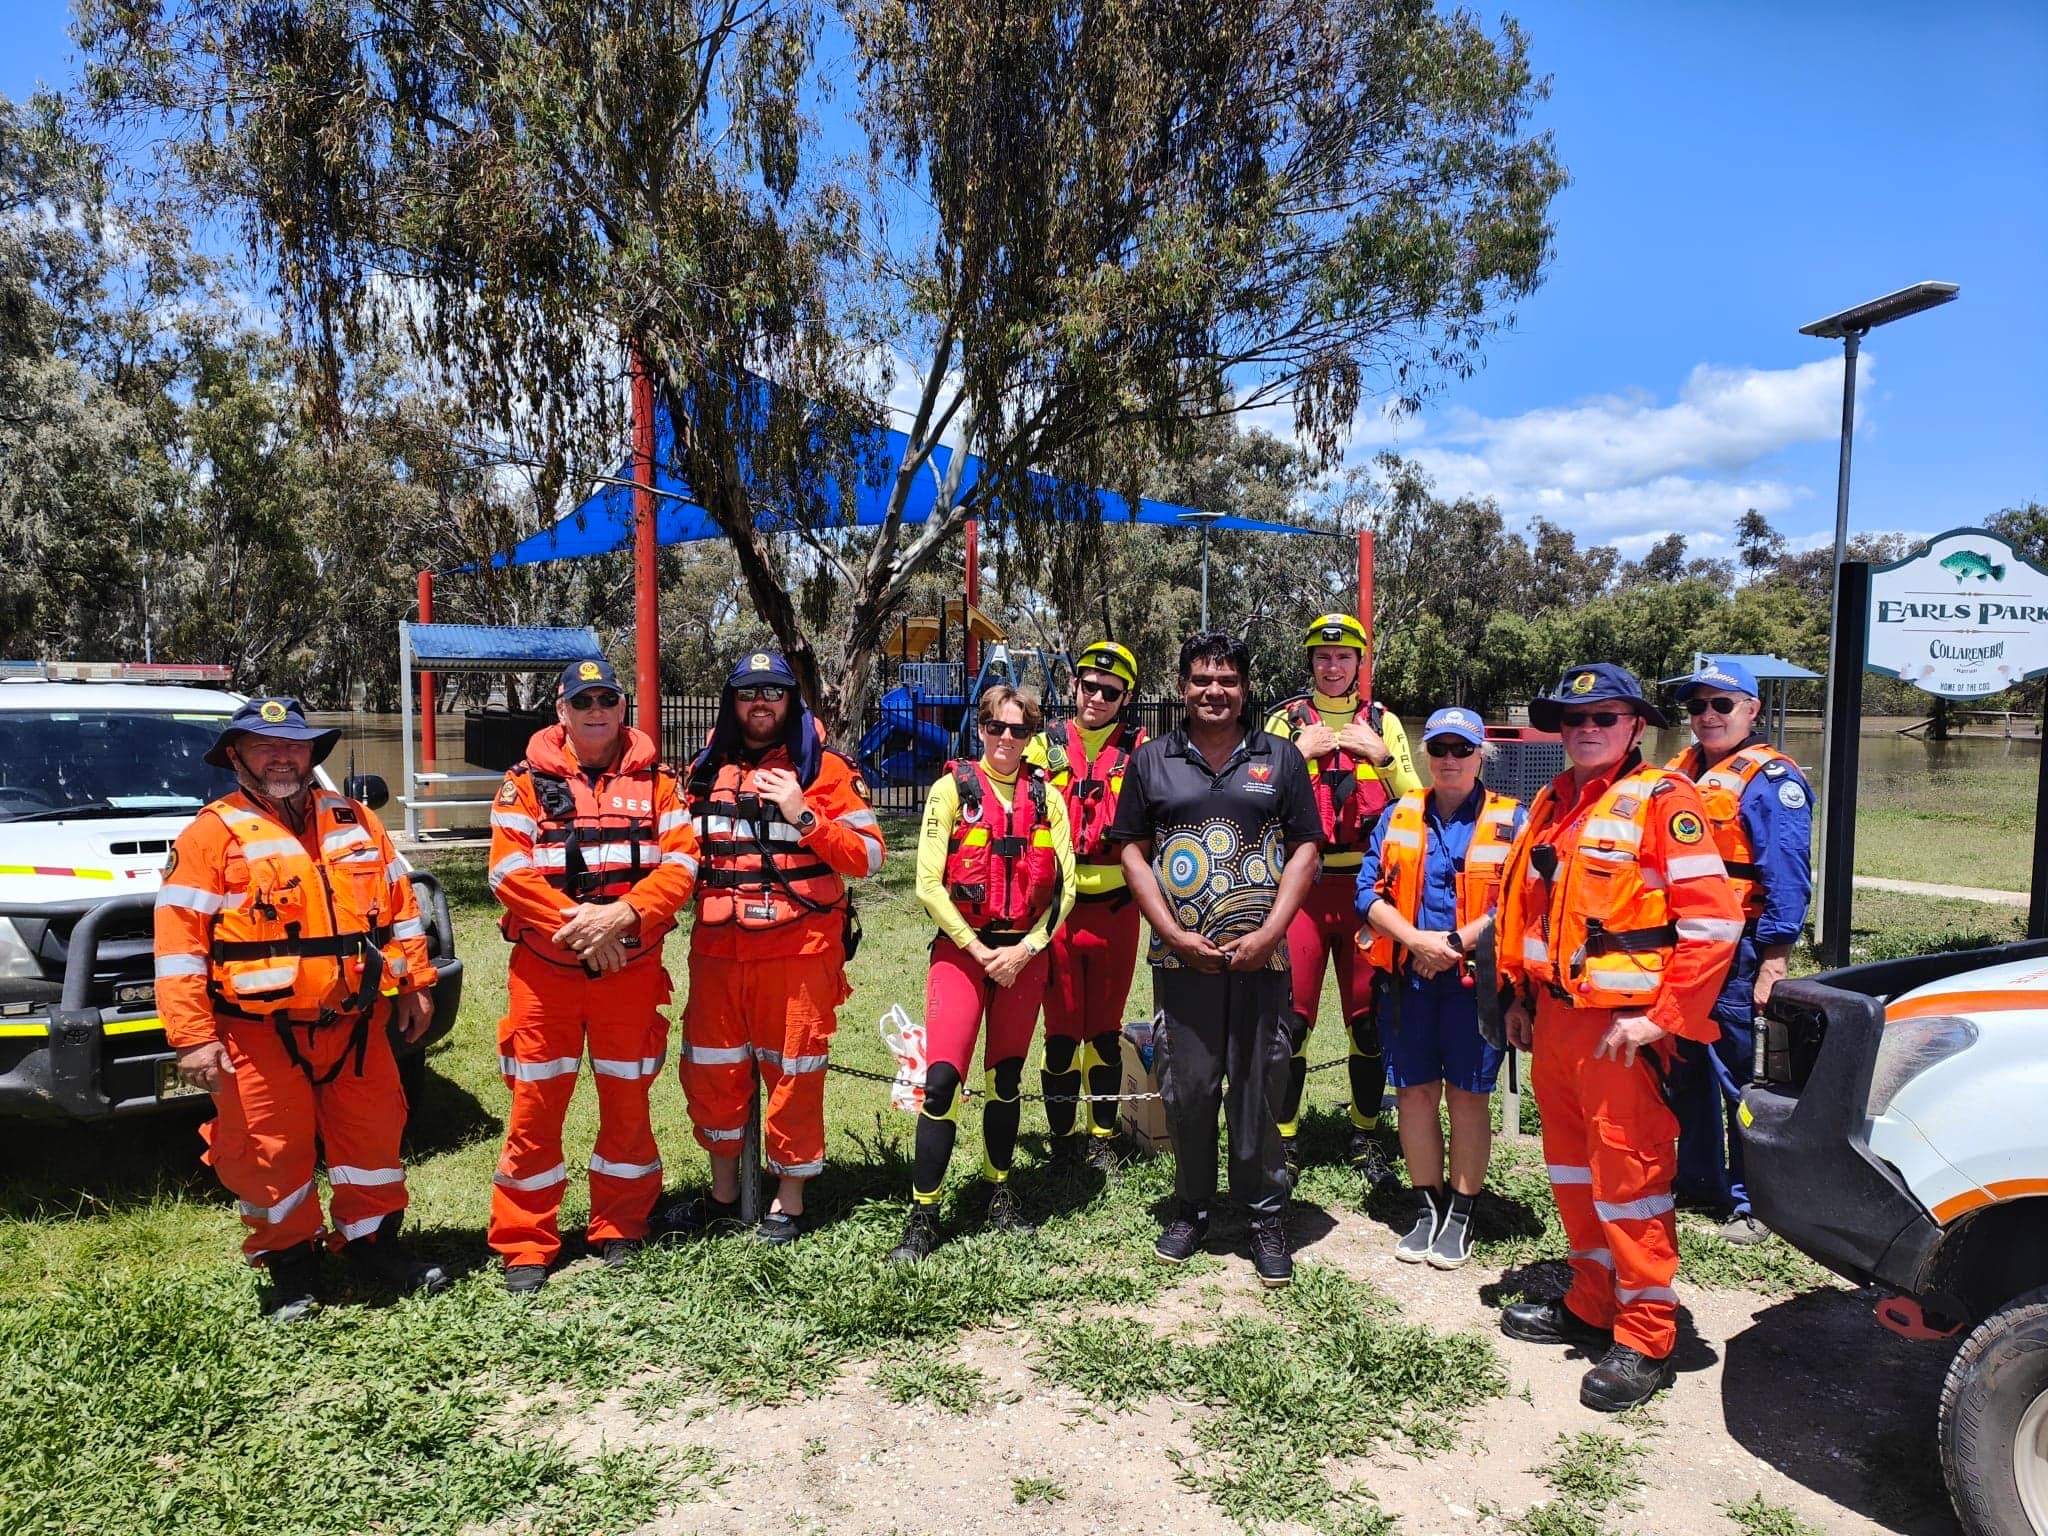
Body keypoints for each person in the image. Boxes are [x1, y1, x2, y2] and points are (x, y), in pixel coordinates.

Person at [1494, 663, 1743, 1411]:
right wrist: (1518, 997)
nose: (1586, 731)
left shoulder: (1667, 802)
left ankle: (1644, 1335)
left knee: (1630, 1186)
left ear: (1636, 725)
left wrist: (1660, 1017)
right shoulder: (1552, 799)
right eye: (1573, 720)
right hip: (1557, 1022)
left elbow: (1714, 922)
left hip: (1624, 1034)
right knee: (1573, 1175)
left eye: (1604, 718)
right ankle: (1591, 1301)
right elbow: (1531, 912)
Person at [154, 697, 448, 1320]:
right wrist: (191, 1037)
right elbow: (179, 946)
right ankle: (291, 1266)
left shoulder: (356, 819)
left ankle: (372, 1245)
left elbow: (400, 909)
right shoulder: (211, 834)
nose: (283, 758)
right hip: (257, 1032)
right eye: (265, 747)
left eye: (294, 746)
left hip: (356, 1023)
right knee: (269, 1151)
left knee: (372, 1138)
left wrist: (415, 982)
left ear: (311, 754)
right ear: (236, 757)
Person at [484, 658, 700, 1293]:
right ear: (563, 712)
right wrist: (585, 930)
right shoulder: (521, 783)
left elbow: (682, 867)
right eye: (584, 703)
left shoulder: (662, 783)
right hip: (545, 973)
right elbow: (506, 873)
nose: (596, 711)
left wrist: (624, 916)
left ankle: (620, 1225)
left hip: (629, 970)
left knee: (627, 1100)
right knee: (534, 1105)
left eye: (607, 699)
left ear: (621, 708)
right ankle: (526, 1240)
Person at [1115, 631, 1321, 1287]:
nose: (1214, 691)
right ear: (1182, 687)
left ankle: (1264, 1217)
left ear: (1245, 689)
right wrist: (1172, 935)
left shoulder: (1281, 759)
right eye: (1202, 679)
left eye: (1227, 680)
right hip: (1182, 962)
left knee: (1259, 1089)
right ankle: (1192, 1207)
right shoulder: (1151, 763)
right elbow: (1131, 852)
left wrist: (1272, 933)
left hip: (1263, 960)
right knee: (1189, 1090)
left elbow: (1307, 851)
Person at [667, 652, 885, 1244]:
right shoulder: (703, 771)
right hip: (717, 951)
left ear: (791, 700)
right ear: (730, 702)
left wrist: (803, 812)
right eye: (747, 693)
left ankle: (788, 1202)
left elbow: (867, 857)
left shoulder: (828, 771)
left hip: (799, 951)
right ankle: (723, 1194)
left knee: (794, 1074)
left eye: (773, 692)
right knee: (711, 1073)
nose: (760, 703)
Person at [891, 685, 1077, 1261]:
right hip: (962, 953)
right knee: (942, 1083)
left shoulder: (1048, 798)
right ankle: (924, 1213)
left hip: (1024, 954)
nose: (1006, 740)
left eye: (1018, 731)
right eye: (997, 728)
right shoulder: (951, 789)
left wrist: (1025, 949)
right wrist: (977, 949)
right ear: (981, 730)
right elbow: (927, 883)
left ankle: (1000, 1194)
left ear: (1031, 737)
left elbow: (1065, 888)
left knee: (1005, 1080)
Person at [1356, 707, 1525, 1270]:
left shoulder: (1512, 818)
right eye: (1440, 749)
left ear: (1481, 755)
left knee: (1468, 1098)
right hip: (1409, 982)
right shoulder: (1398, 813)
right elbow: (1367, 892)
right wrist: (1415, 942)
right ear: (1426, 755)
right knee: (1414, 1094)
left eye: (1461, 749)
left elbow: (1519, 903)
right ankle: (1427, 1206)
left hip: (1474, 987)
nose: (1449, 760)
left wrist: (1450, 945)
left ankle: (1462, 1212)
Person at [1264, 612, 1421, 1188]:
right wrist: (1294, 756)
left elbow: (1414, 797)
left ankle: (1364, 1134)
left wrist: (1379, 756)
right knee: (1293, 1021)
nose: (1333, 667)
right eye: (1323, 657)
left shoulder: (1383, 722)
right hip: (1302, 891)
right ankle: (1283, 1140)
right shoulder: (1283, 722)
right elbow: (1255, 797)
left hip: (1362, 892)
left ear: (1360, 664)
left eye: (1344, 657)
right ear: (1310, 663)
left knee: (1367, 1021)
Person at [1665, 659, 1812, 1244]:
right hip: (1684, 945)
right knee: (1687, 1065)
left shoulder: (1773, 780)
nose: (1706, 716)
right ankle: (1699, 1178)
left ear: (1751, 711)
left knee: (1740, 1075)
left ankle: (1754, 1202)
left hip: (1741, 948)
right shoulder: (1680, 769)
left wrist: (1774, 958)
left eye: (1721, 705)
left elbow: (1788, 872)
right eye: (1697, 706)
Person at [1025, 639, 1148, 1171]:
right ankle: (1061, 1139)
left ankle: (1100, 1136)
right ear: (1074, 685)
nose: (1097, 697)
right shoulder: (1042, 745)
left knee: (1103, 1031)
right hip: (1058, 914)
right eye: (1089, 686)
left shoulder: (1141, 750)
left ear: (1125, 698)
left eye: (1110, 691)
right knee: (1059, 1034)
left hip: (1118, 912)